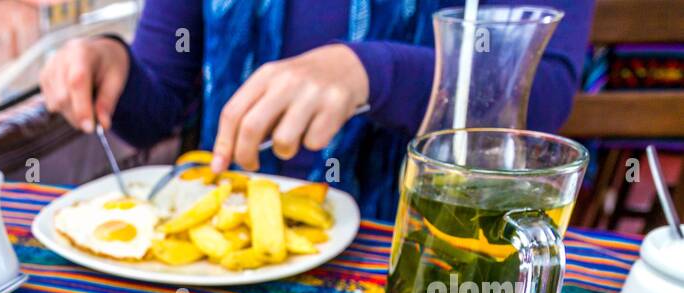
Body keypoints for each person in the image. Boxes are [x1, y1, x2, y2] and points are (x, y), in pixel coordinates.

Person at [39, 1, 593, 217]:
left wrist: (371, 72)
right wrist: (112, 65)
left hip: (410, 260)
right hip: (212, 266)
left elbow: (537, 96)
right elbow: (159, 104)